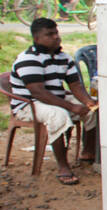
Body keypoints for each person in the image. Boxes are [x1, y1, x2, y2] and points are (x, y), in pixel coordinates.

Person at [10, 18, 98, 184]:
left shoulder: (63, 57)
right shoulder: (27, 59)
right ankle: (63, 166)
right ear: (37, 39)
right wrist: (71, 106)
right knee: (57, 115)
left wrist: (87, 102)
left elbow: (75, 85)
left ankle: (88, 153)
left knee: (93, 110)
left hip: (55, 98)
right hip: (28, 104)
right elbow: (39, 93)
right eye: (49, 35)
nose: (56, 37)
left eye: (56, 33)